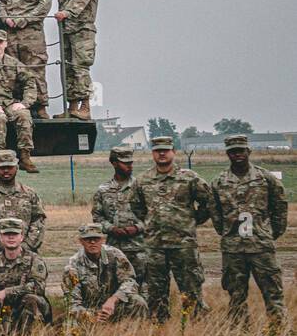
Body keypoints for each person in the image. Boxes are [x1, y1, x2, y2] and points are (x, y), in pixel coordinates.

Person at [130, 136, 212, 321]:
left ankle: (196, 326)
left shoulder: (189, 178)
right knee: (156, 291)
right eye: (158, 150)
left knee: (191, 288)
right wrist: (152, 223)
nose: (162, 153)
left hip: (183, 245)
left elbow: (208, 203)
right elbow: (137, 207)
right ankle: (160, 327)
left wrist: (190, 222)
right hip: (155, 246)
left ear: (173, 152)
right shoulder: (143, 180)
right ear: (152, 153)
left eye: (166, 150)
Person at [209, 135, 287, 325]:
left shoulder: (265, 179)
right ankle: (239, 333)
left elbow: (280, 208)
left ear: (248, 152)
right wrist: (228, 233)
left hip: (261, 248)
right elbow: (215, 213)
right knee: (236, 296)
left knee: (273, 293)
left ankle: (279, 333)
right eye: (233, 151)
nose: (237, 155)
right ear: (228, 154)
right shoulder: (219, 182)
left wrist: (268, 234)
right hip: (233, 249)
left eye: (241, 150)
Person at [0, 29, 38, 172]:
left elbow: (30, 82)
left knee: (24, 115)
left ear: (5, 44)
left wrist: (24, 103)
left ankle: (25, 157)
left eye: (0, 42)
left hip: (10, 102)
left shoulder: (13, 63)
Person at [62, 224, 148, 324]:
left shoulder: (115, 254)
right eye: (88, 239)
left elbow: (130, 281)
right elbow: (72, 303)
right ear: (81, 241)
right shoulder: (72, 265)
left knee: (138, 302)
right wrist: (90, 316)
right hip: (89, 310)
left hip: (114, 306)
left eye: (96, 239)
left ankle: (135, 335)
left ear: (102, 240)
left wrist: (114, 299)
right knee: (71, 320)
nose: (92, 242)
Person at [54, 0, 100, 120]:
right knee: (68, 68)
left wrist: (67, 13)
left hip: (83, 28)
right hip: (67, 30)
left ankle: (85, 107)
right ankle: (72, 107)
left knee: (81, 67)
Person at [0, 218, 51, 331]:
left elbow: (38, 287)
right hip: (5, 309)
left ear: (22, 237)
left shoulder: (34, 260)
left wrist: (7, 292)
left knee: (31, 299)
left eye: (14, 234)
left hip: (29, 307)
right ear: (1, 237)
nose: (11, 237)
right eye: (7, 234)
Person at [92, 146, 147, 284]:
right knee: (114, 286)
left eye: (131, 163)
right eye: (125, 163)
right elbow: (97, 217)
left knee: (142, 287)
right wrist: (111, 229)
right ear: (114, 163)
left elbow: (153, 215)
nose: (130, 166)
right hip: (114, 248)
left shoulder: (141, 187)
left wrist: (137, 228)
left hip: (139, 249)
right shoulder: (103, 190)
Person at [0, 150, 46, 252]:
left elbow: (38, 221)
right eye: (2, 167)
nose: (6, 170)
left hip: (26, 255)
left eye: (9, 167)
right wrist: (4, 246)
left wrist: (26, 246)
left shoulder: (29, 194)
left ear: (17, 168)